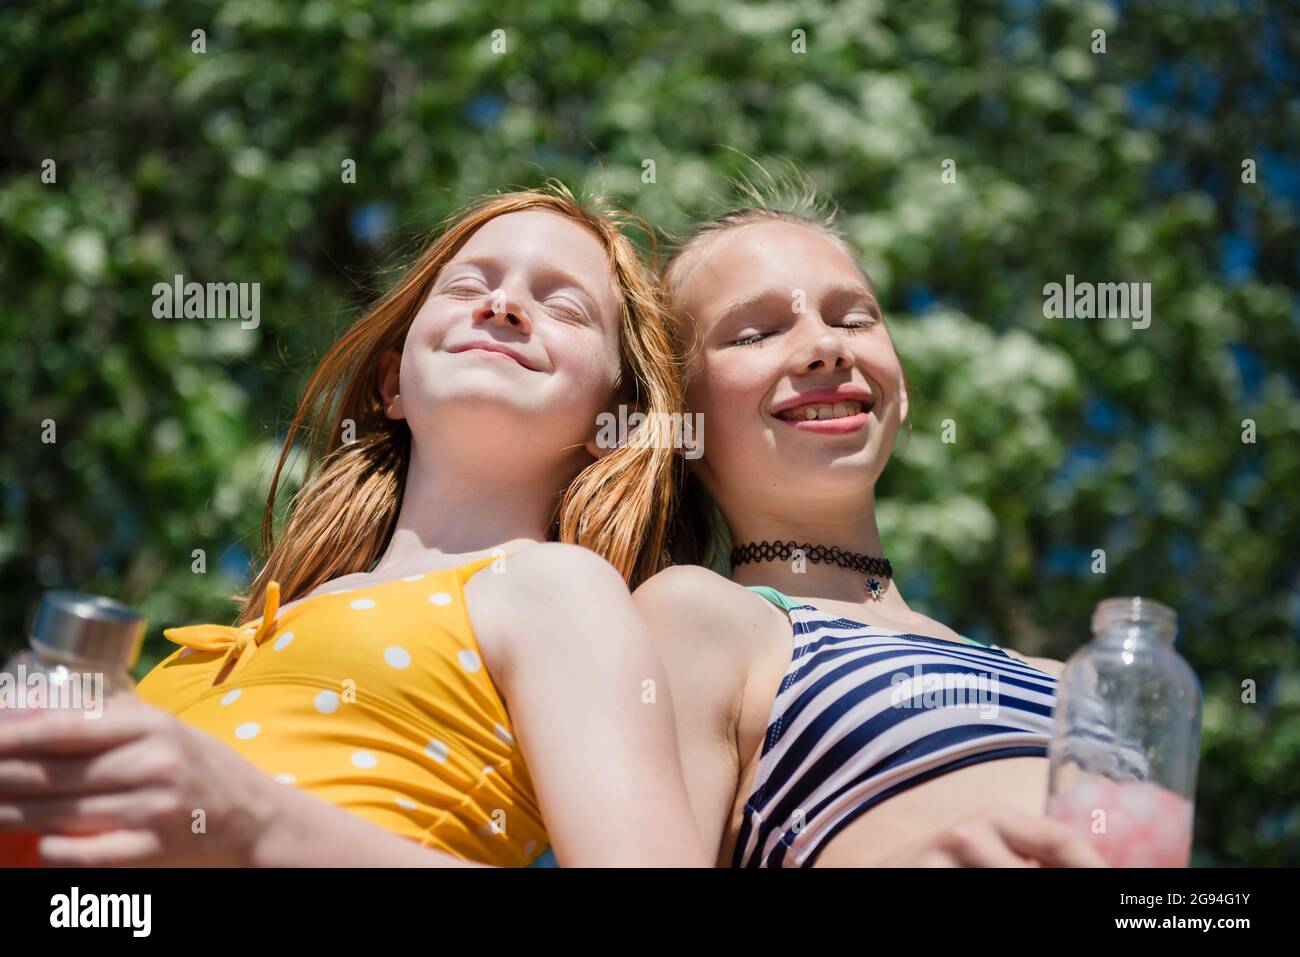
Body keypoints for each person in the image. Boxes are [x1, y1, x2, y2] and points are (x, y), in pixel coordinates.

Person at [0, 183, 707, 868]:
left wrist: (251, 821)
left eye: (565, 305)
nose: (504, 304)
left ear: (619, 424)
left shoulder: (556, 588)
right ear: (392, 383)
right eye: (465, 287)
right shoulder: (262, 622)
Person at [633, 177, 1106, 868]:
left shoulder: (1069, 683)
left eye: (854, 319)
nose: (828, 347)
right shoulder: (702, 622)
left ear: (903, 388)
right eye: (756, 332)